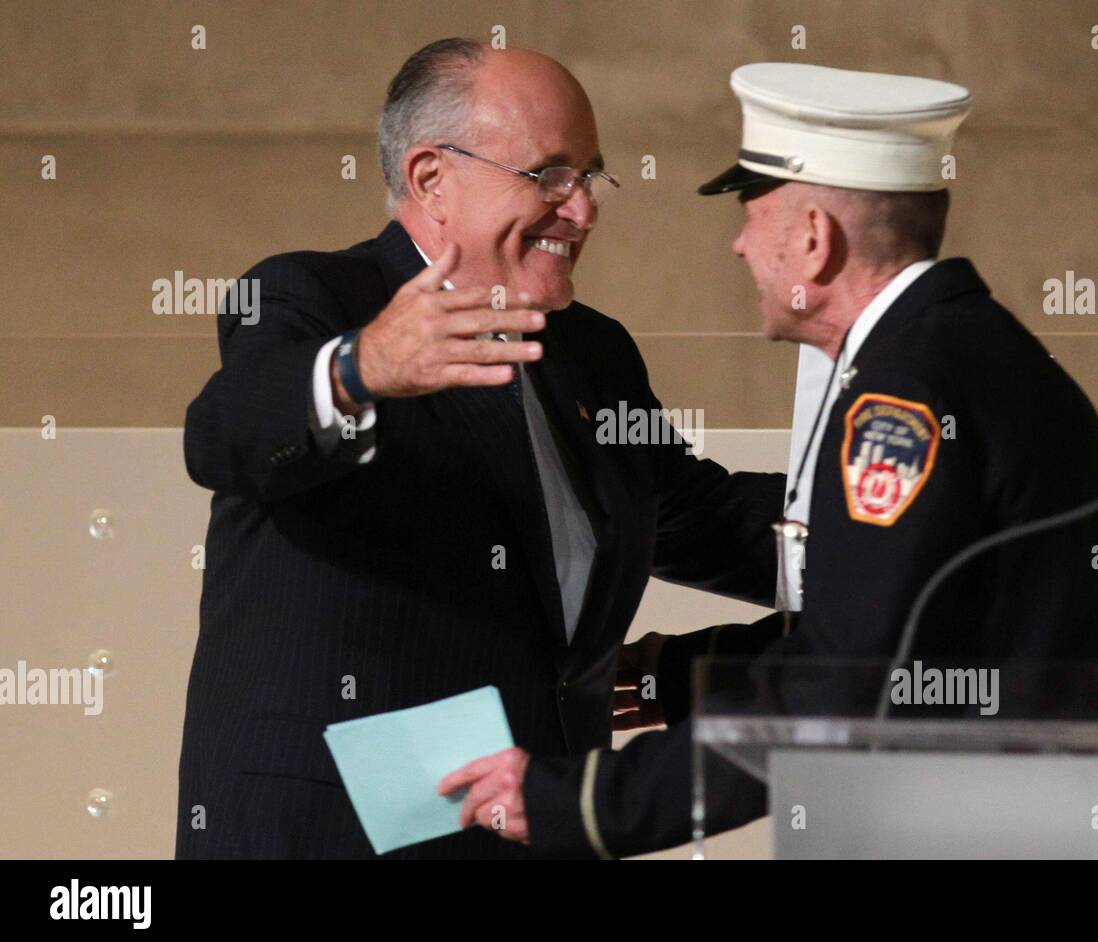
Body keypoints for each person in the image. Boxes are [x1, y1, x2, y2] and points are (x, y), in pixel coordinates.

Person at [442, 63, 1098, 858]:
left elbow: (846, 681)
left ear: (812, 237)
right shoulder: (985, 357)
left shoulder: (901, 397)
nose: (737, 246)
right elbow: (921, 636)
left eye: (750, 213)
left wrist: (585, 801)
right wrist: (682, 671)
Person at [176, 39, 783, 859]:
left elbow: (701, 515)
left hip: (527, 826)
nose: (583, 209)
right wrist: (364, 368)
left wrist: (898, 530)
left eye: (592, 176)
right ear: (432, 178)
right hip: (332, 834)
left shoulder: (591, 353)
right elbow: (228, 431)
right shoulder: (317, 297)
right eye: (550, 175)